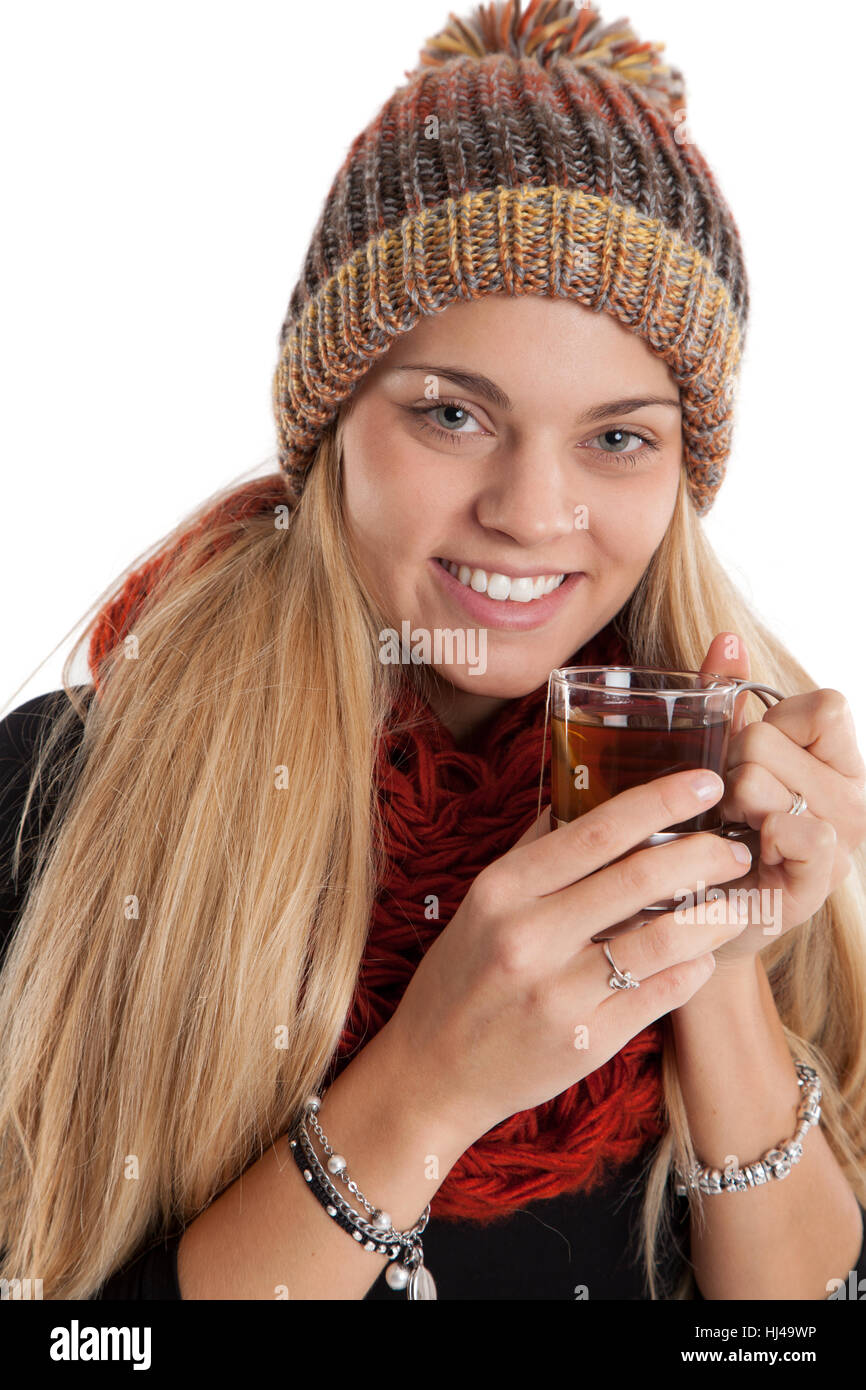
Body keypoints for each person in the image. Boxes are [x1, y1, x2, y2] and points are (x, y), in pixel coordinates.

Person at [2, 0, 866, 1303]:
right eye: (453, 413)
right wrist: (427, 1084)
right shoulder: (71, 799)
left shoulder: (752, 792)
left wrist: (717, 963)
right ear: (331, 417)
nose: (530, 512)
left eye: (617, 436)